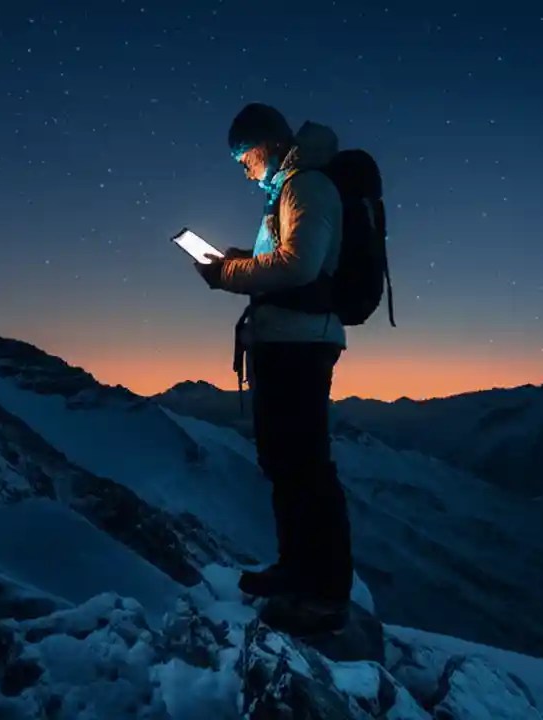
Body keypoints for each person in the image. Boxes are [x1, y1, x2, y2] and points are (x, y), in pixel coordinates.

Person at [193, 102, 354, 635]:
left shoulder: (306, 186)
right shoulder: (289, 189)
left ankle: (326, 595)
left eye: (243, 157)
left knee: (305, 467)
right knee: (286, 465)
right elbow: (286, 259)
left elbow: (299, 265)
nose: (243, 169)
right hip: (285, 344)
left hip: (301, 347)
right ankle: (296, 571)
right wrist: (239, 259)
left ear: (264, 144)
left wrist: (229, 273)